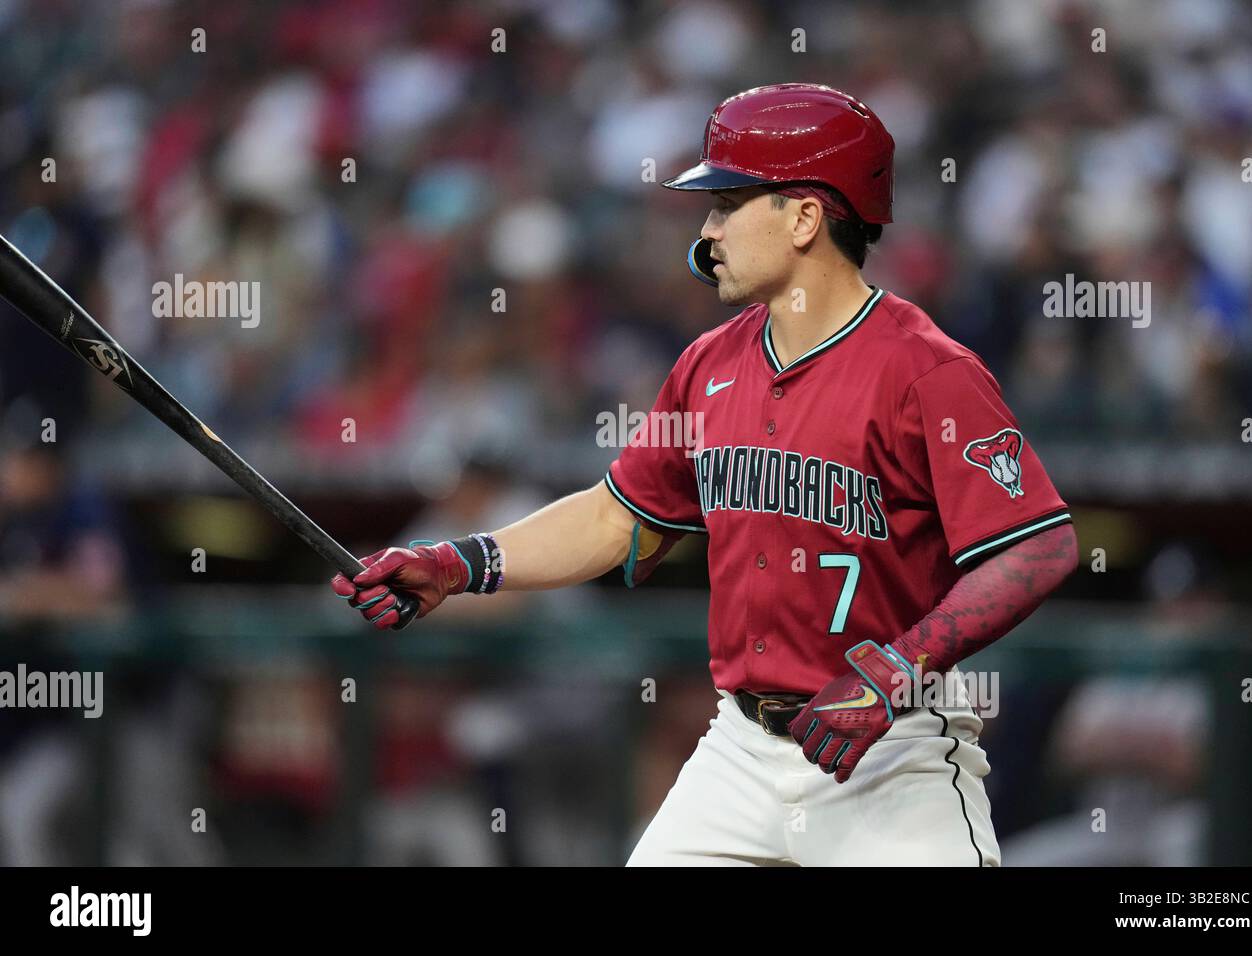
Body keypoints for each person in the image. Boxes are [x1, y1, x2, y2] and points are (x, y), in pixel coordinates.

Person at [331, 84, 1078, 866]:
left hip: (891, 751)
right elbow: (613, 519)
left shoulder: (927, 371)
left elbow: (1038, 548)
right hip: (742, 750)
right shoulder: (709, 362)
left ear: (804, 217)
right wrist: (458, 564)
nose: (708, 228)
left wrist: (897, 669)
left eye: (727, 203)